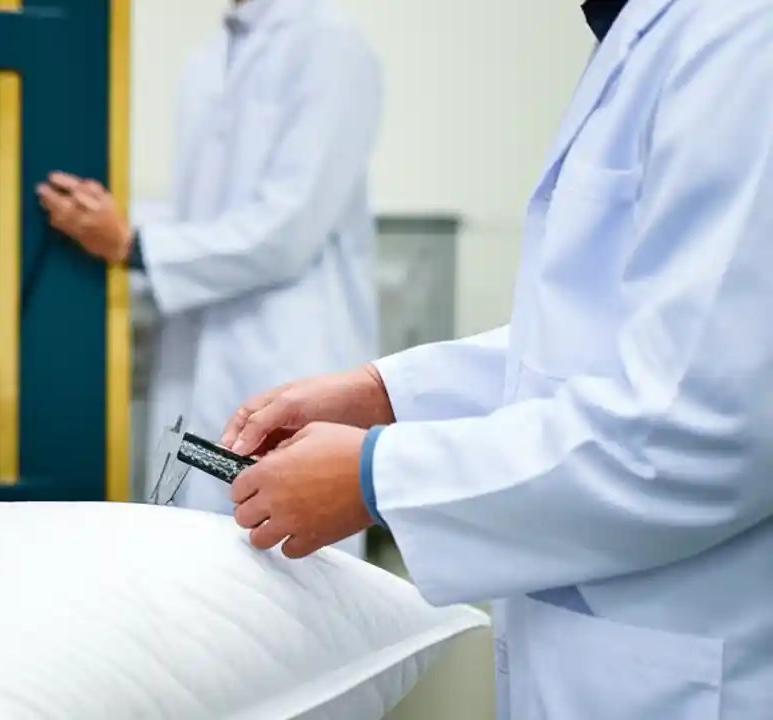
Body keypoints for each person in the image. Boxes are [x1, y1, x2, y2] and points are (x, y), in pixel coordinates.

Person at [220, 0, 773, 716]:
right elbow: (604, 339)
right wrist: (386, 392)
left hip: (696, 663)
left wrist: (377, 477)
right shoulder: (643, 34)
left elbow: (705, 423)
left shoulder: (741, 35)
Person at [35, 0, 382, 556]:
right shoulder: (210, 56)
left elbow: (289, 228)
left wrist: (133, 245)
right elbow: (204, 213)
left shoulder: (328, 44)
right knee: (189, 564)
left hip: (285, 349)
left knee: (290, 579)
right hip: (196, 354)